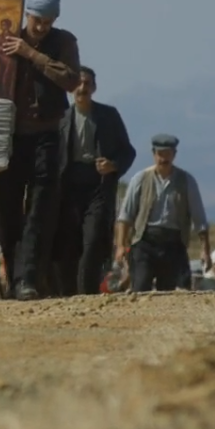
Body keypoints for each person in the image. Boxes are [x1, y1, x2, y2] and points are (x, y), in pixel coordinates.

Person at [0, 0, 80, 300]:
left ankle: (28, 279)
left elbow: (71, 80)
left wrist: (31, 54)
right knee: (7, 208)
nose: (41, 27)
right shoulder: (4, 38)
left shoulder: (64, 42)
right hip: (9, 135)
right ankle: (14, 276)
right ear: (26, 15)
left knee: (40, 209)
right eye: (36, 20)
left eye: (48, 21)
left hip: (47, 133)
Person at [55, 66, 136, 295]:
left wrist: (114, 166)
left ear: (94, 88)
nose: (83, 88)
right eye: (79, 83)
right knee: (69, 243)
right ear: (72, 87)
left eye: (87, 84)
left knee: (92, 242)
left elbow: (128, 152)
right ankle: (67, 294)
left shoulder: (108, 116)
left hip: (98, 187)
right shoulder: (61, 118)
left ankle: (87, 294)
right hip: (69, 187)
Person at [115, 134, 211, 293]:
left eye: (168, 154)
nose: (163, 159)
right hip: (145, 241)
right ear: (154, 154)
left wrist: (205, 249)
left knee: (169, 292)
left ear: (174, 155)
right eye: (160, 154)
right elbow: (125, 216)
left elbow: (199, 218)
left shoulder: (186, 181)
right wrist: (120, 246)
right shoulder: (140, 179)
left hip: (173, 243)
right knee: (140, 286)